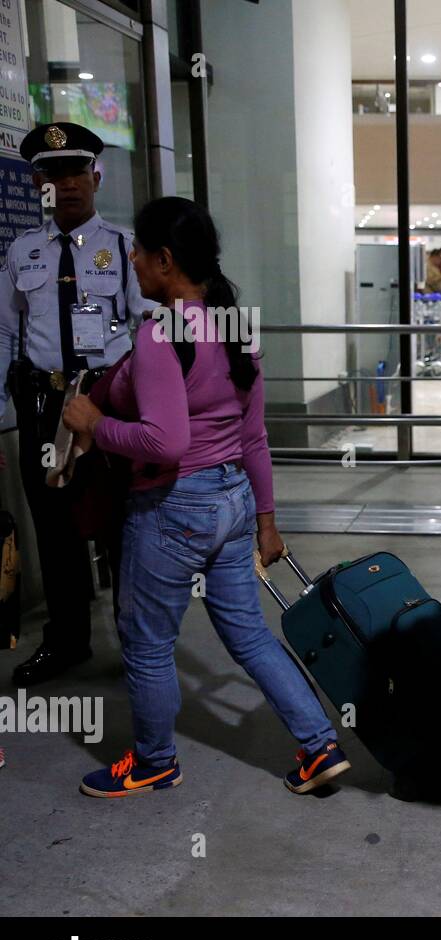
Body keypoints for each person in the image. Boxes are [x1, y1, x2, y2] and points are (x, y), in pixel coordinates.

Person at [69, 196, 350, 798]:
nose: (134, 265)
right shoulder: (234, 326)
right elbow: (253, 434)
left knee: (146, 642)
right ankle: (319, 743)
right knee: (248, 633)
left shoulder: (158, 336)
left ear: (165, 260)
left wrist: (95, 427)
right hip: (232, 498)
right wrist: (266, 520)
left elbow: (165, 442)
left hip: (175, 504)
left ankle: (153, 761)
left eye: (139, 254)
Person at [0, 122, 153, 687]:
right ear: (40, 180)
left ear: (97, 175)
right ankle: (66, 642)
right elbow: (4, 334)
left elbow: (148, 329)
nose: (66, 184)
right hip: (43, 403)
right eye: (53, 173)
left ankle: (136, 641)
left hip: (107, 400)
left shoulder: (122, 247)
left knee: (120, 525)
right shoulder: (23, 251)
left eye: (75, 171)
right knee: (54, 527)